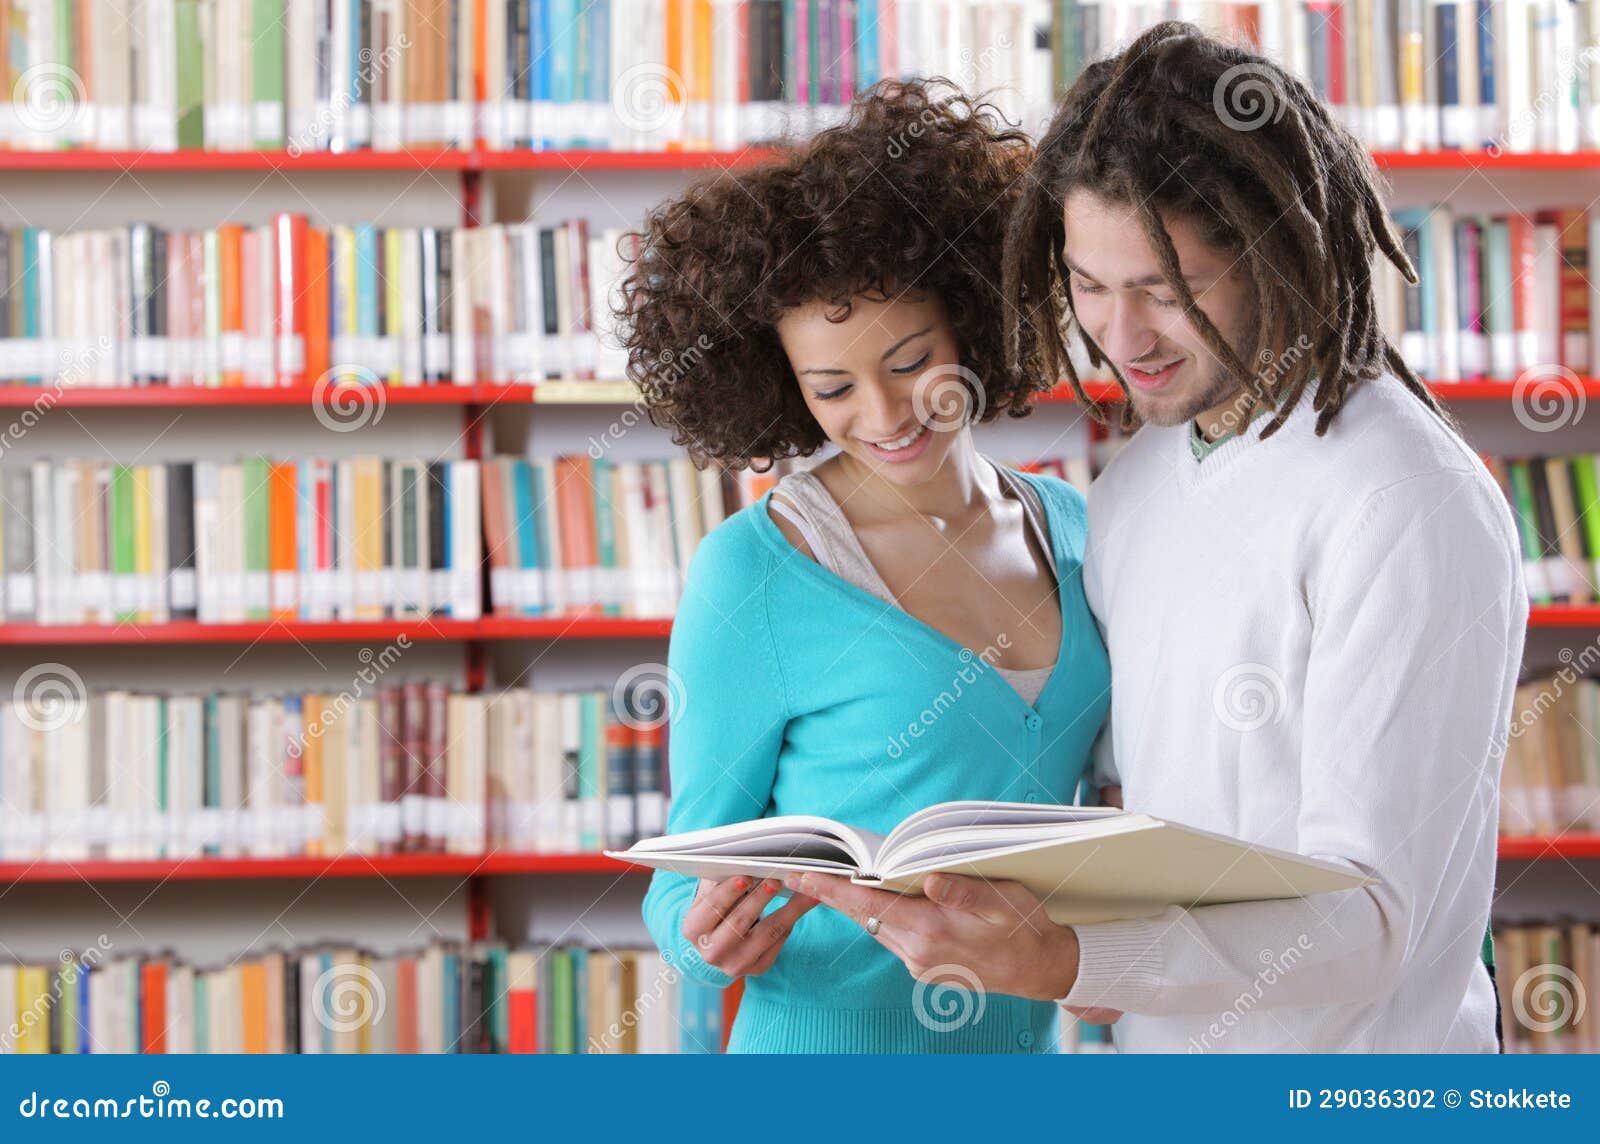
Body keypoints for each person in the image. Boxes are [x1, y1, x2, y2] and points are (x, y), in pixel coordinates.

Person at [789, 22, 1526, 1052]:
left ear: (1276, 251)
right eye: (1089, 286)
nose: (1120, 337)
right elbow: (1142, 808)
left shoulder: (1403, 502)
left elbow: (1372, 919)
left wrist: (1071, 961)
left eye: (1166, 292)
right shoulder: (1136, 483)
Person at [620, 79, 1111, 1052]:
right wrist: (703, 938)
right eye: (832, 387)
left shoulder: (1078, 529)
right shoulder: (753, 573)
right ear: (784, 387)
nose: (885, 417)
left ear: (973, 320)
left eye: (911, 361)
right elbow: (681, 882)